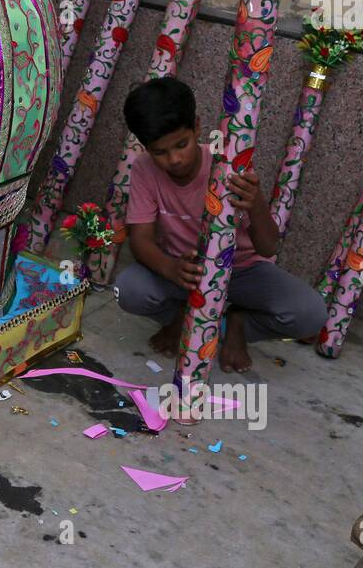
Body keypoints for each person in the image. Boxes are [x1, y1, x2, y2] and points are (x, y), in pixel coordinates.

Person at [113, 77, 325, 373]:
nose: (174, 159)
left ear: (197, 127)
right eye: (160, 152)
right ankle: (184, 316)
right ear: (145, 146)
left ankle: (236, 324)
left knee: (310, 314)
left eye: (181, 145)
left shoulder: (228, 167)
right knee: (127, 290)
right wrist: (170, 268)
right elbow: (141, 240)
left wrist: (256, 202)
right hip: (185, 272)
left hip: (243, 269)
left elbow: (268, 246)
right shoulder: (144, 169)